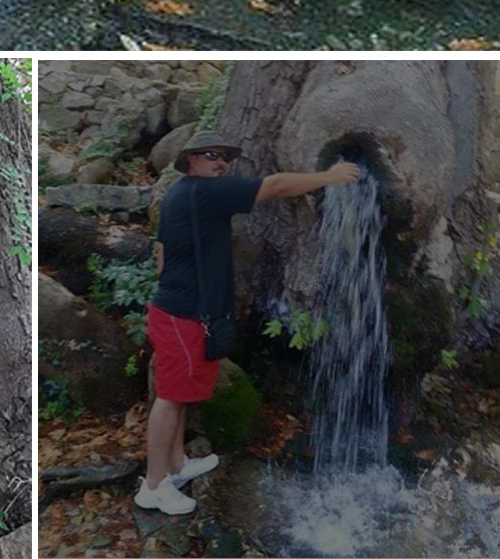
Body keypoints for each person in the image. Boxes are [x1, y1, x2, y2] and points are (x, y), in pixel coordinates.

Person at [137, 130, 361, 515]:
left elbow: (161, 252)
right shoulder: (205, 192)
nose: (221, 163)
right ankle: (154, 485)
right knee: (170, 399)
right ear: (191, 159)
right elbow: (272, 186)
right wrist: (329, 177)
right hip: (181, 316)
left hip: (183, 311)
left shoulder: (179, 193)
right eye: (212, 155)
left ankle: (176, 465)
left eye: (226, 157)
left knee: (180, 394)